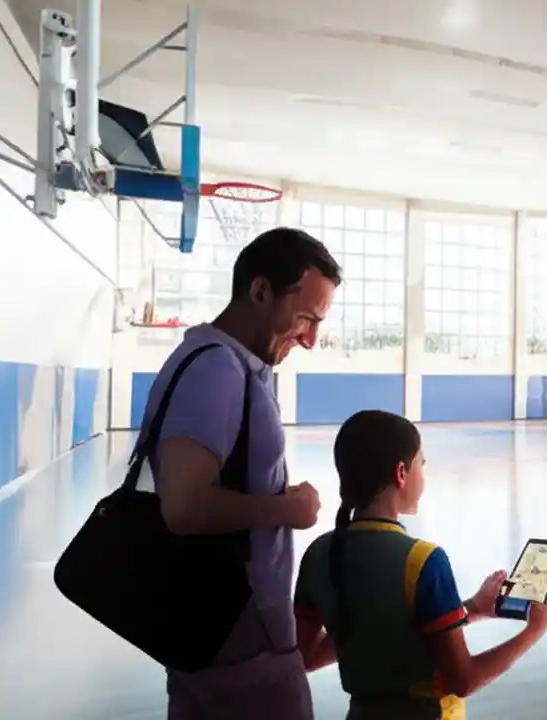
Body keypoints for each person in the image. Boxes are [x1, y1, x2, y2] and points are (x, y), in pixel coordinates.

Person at [141, 227, 342, 719]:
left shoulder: (227, 366)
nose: (311, 339)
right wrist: (287, 509)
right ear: (259, 290)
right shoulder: (217, 370)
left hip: (216, 631)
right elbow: (183, 506)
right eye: (305, 318)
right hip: (239, 642)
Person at [293, 410, 547, 719]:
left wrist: (472, 608)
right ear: (401, 473)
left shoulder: (318, 554)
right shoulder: (424, 560)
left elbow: (310, 655)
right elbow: (463, 680)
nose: (424, 474)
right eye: (421, 463)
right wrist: (535, 630)